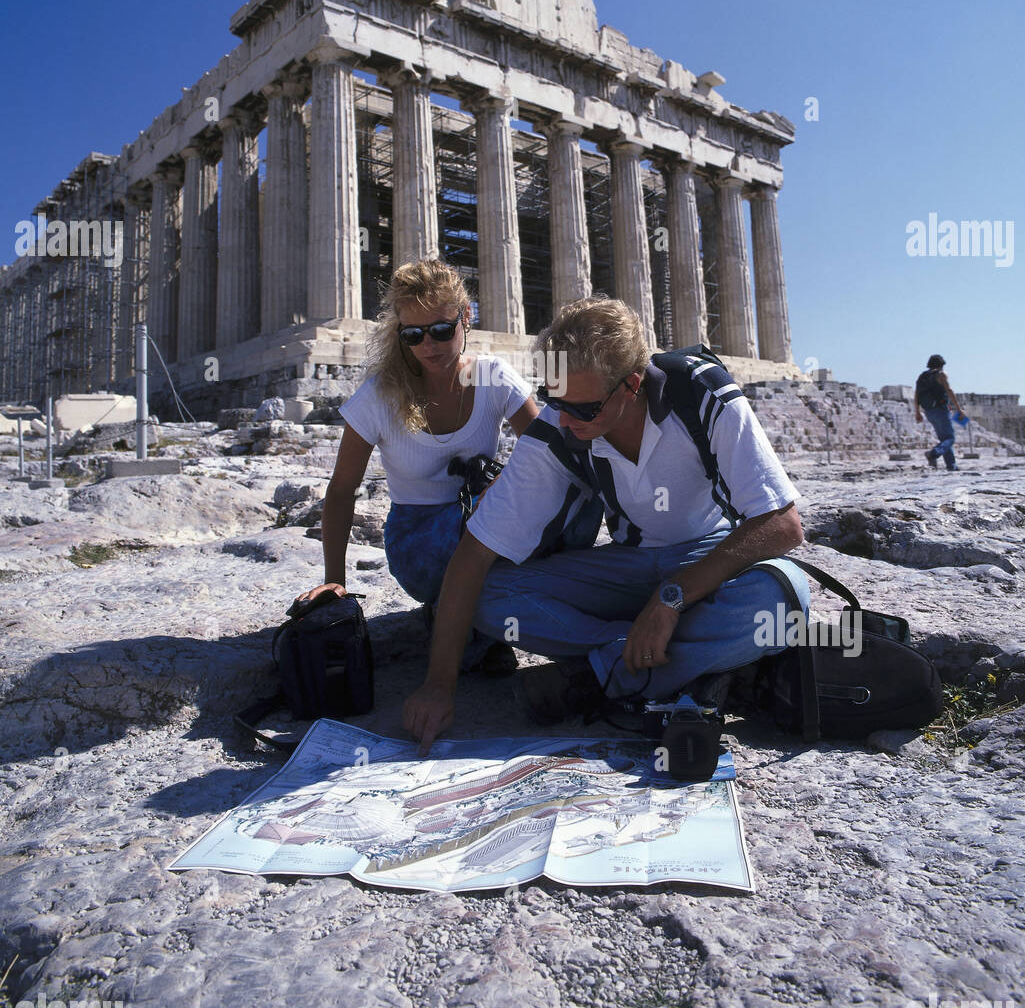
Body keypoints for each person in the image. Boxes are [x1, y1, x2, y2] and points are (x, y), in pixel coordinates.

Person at [402, 296, 810, 752]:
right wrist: (439, 685)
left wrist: (670, 600)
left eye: (585, 408)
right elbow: (474, 553)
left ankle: (596, 675)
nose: (567, 418)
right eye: (554, 399)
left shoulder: (700, 391)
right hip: (627, 568)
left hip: (706, 557)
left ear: (632, 384)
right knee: (492, 597)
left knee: (785, 599)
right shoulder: (561, 422)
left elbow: (783, 524)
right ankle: (674, 661)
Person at [299, 258, 539, 673]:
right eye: (413, 335)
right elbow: (341, 491)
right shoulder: (380, 395)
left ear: (466, 317)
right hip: (420, 543)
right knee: (489, 522)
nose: (429, 345)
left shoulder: (493, 376)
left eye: (442, 330)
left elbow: (546, 455)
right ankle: (473, 627)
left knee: (562, 511)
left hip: (484, 520)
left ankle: (474, 626)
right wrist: (335, 579)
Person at [914, 354, 965, 472]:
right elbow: (949, 390)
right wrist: (958, 408)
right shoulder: (941, 374)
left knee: (944, 439)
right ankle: (933, 453)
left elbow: (916, 395)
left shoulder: (922, 377)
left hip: (928, 412)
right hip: (941, 410)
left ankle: (951, 466)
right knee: (950, 438)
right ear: (941, 365)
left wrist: (917, 412)